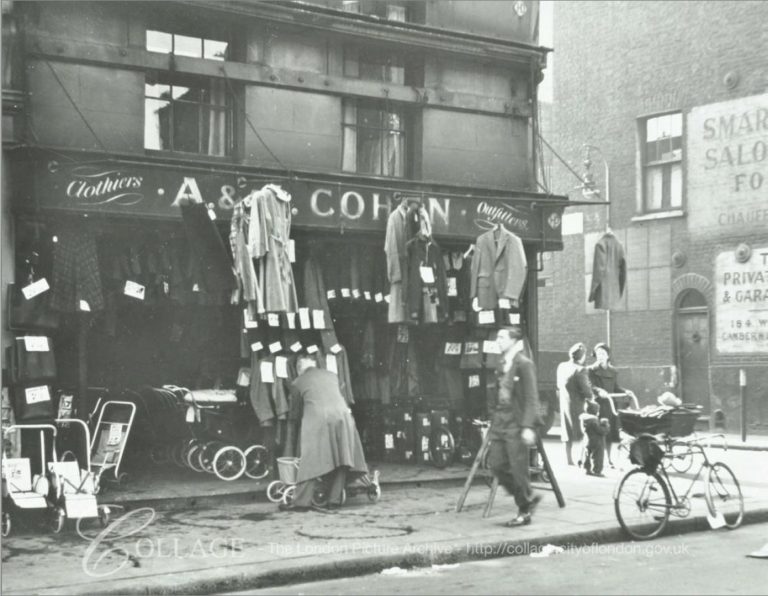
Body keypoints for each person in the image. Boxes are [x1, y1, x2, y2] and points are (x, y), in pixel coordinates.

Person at [282, 354, 369, 511]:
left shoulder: (297, 382)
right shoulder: (332, 376)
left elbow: (295, 411)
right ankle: (334, 501)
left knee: (310, 459)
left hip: (318, 418)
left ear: (299, 368)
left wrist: (292, 426)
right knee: (342, 457)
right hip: (344, 417)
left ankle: (301, 502)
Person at [488, 326, 543, 527]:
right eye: (498, 337)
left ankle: (524, 510)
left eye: (502, 337)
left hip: (516, 422)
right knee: (496, 465)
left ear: (513, 340)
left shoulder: (524, 364)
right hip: (500, 421)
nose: (498, 340)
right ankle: (528, 499)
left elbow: (531, 397)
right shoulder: (501, 363)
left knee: (518, 468)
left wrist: (528, 426)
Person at [587, 342, 637, 468]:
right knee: (596, 433)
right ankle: (594, 459)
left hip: (610, 405)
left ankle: (609, 459)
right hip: (596, 405)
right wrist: (599, 391)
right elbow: (590, 386)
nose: (600, 356)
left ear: (608, 355)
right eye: (598, 354)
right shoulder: (591, 370)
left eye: (603, 354)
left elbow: (616, 387)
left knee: (608, 433)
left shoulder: (613, 371)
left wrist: (625, 391)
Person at [556, 342, 593, 466]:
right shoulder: (581, 370)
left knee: (567, 432)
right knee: (585, 433)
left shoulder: (561, 366)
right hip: (578, 405)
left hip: (565, 403)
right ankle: (582, 459)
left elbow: (558, 385)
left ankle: (569, 460)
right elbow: (587, 392)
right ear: (582, 357)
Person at [579, 399, 609, 476]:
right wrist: (605, 426)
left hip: (587, 440)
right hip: (596, 441)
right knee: (598, 456)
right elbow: (600, 430)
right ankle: (597, 470)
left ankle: (587, 469)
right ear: (595, 411)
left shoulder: (584, 419)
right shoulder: (594, 420)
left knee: (587, 455)